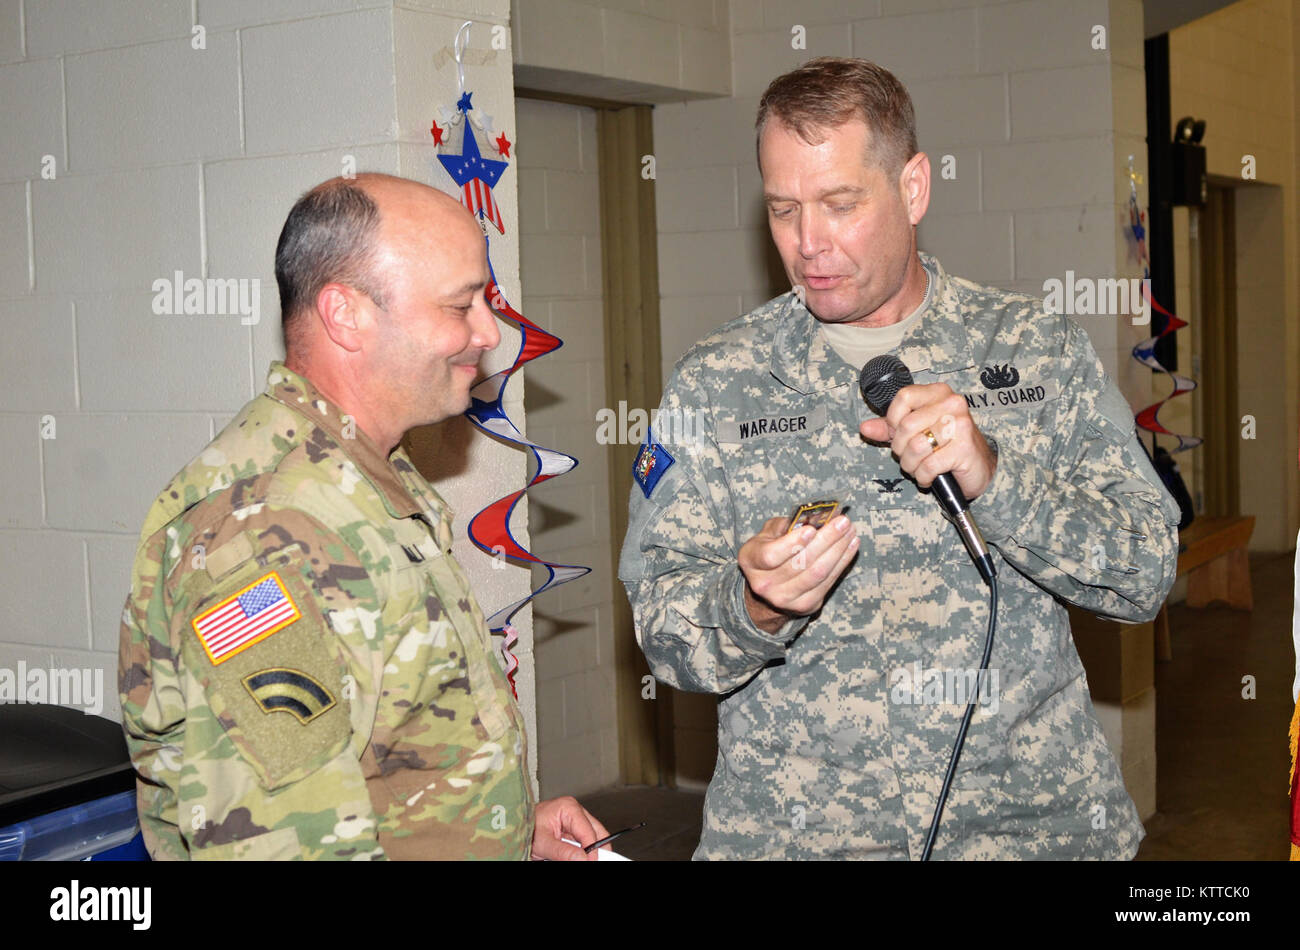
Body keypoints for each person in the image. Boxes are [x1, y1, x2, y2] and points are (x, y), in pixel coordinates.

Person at [619, 58, 1181, 859]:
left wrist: (998, 481)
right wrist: (755, 607)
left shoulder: (1032, 351)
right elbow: (659, 629)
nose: (809, 243)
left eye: (840, 204)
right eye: (783, 210)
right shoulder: (718, 380)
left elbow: (1146, 572)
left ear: (913, 188)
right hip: (800, 840)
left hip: (1028, 834)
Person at [119, 173, 608, 860]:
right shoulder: (266, 535)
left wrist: (504, 831)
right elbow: (290, 844)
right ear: (345, 314)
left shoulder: (368, 475)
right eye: (460, 305)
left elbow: (387, 750)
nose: (486, 332)